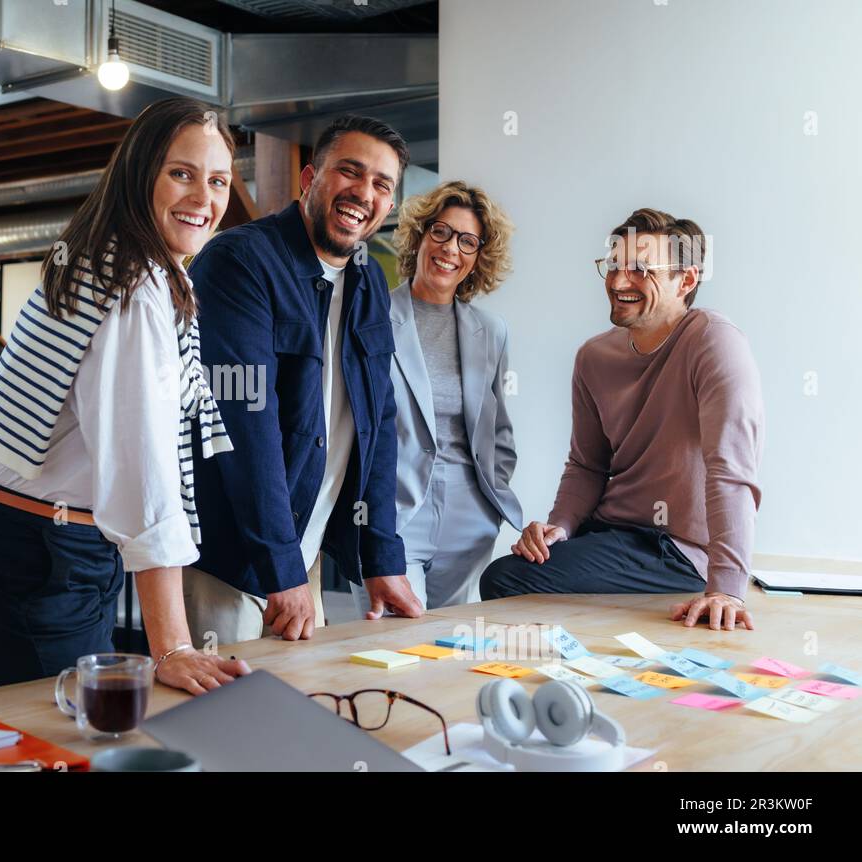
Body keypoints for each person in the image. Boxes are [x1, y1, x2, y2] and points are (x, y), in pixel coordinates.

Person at [0, 97, 250, 694]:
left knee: (58, 737)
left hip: (28, 539)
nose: (204, 199)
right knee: (79, 741)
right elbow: (144, 466)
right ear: (141, 173)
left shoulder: (114, 257)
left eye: (217, 181)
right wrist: (174, 646)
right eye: (181, 173)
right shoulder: (134, 285)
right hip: (42, 555)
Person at [184, 114, 424, 646]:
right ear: (309, 178)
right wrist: (279, 566)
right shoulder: (240, 262)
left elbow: (378, 423)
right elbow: (244, 424)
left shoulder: (368, 283)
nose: (363, 192)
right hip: (230, 559)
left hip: (301, 552)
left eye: (382, 185)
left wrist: (382, 555)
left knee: (290, 711)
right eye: (350, 172)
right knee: (217, 717)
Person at [479, 208, 764, 631]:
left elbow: (731, 470)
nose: (618, 281)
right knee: (513, 571)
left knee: (505, 580)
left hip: (676, 549)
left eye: (640, 269)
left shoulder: (714, 341)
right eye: (613, 265)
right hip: (610, 534)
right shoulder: (593, 356)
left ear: (685, 281)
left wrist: (726, 587)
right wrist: (561, 527)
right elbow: (587, 464)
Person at [353, 181, 522, 615]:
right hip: (391, 511)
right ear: (421, 235)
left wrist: (493, 500)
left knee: (450, 647)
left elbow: (498, 427)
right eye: (442, 232)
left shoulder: (492, 330)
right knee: (394, 646)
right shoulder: (370, 316)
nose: (451, 249)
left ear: (479, 256)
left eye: (468, 241)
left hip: (470, 517)